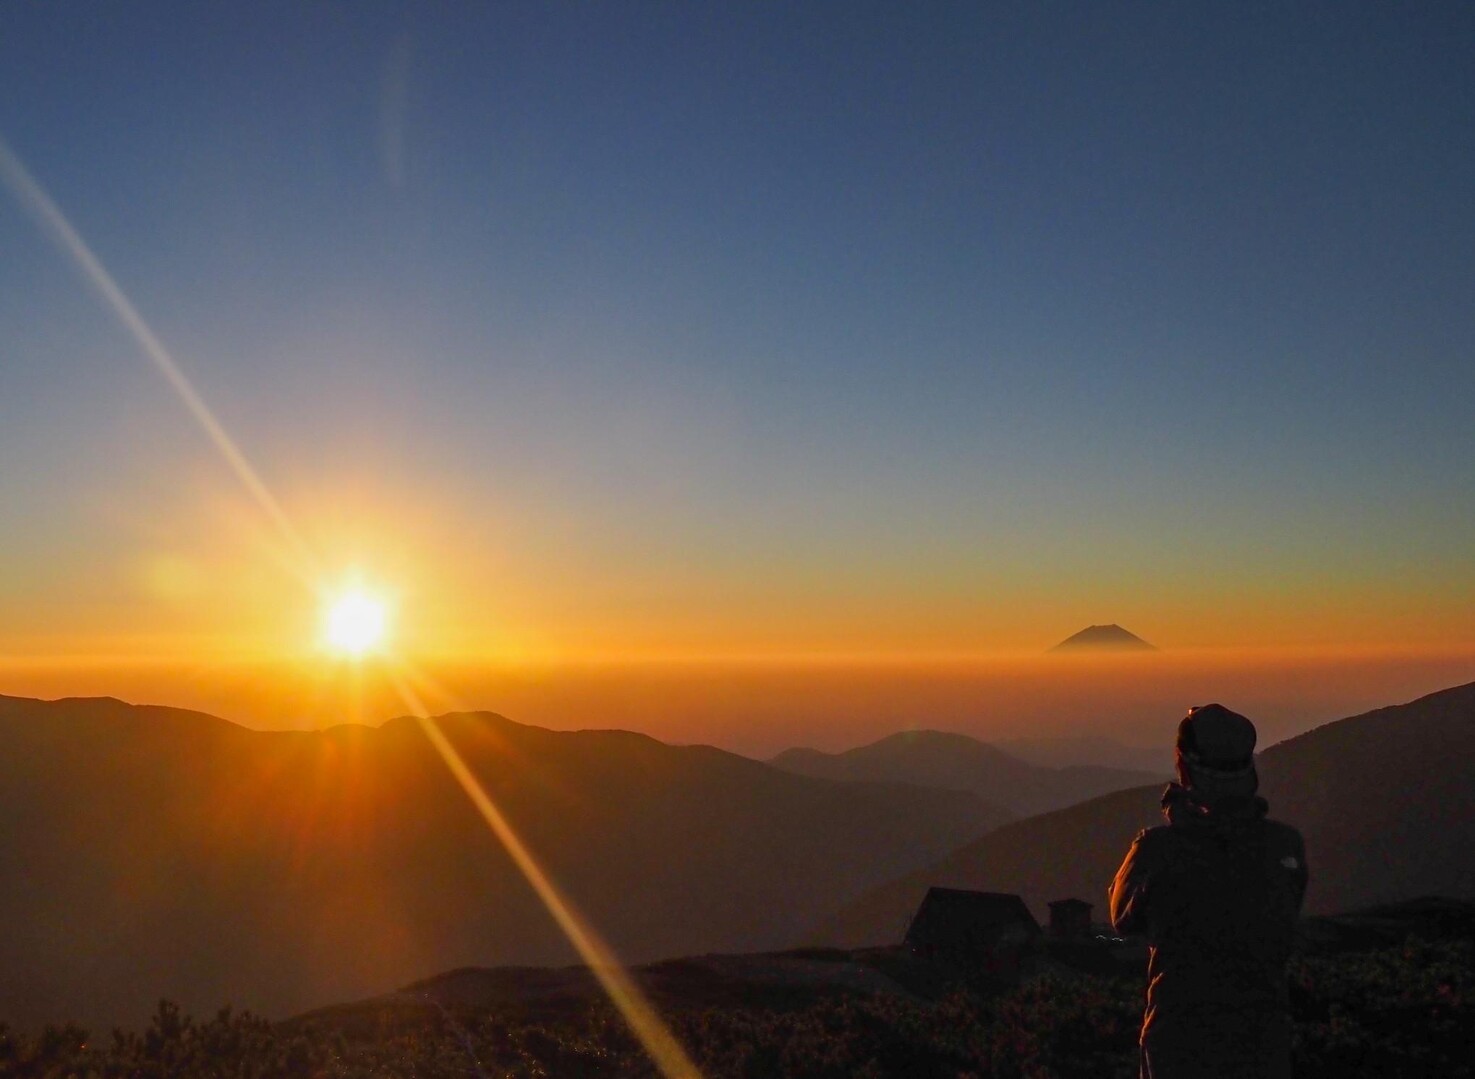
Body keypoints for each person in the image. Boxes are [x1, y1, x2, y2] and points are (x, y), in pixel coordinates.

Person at [1109, 704, 1308, 1079]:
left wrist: (1179, 819)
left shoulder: (1157, 850)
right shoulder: (1284, 846)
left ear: (1184, 768)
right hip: (1263, 1039)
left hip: (1179, 1039)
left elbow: (1122, 916)